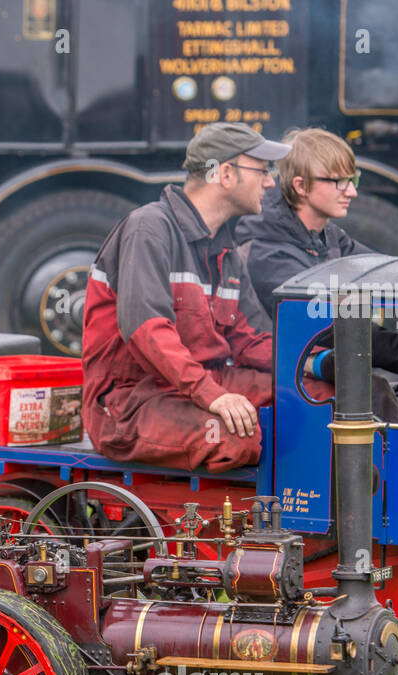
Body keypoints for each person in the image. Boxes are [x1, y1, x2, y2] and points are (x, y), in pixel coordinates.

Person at [237, 127, 398, 419]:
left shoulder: (328, 236)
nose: (352, 191)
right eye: (339, 182)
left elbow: (384, 273)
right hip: (278, 378)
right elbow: (344, 332)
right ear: (300, 186)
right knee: (375, 394)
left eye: (353, 180)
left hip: (314, 366)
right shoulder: (267, 253)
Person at [82, 122, 288, 472]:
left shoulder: (226, 251)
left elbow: (252, 341)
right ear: (225, 173)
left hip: (199, 385)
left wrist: (318, 364)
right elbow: (148, 332)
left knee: (316, 395)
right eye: (263, 170)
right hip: (129, 403)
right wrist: (215, 397)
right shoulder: (149, 229)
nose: (270, 182)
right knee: (236, 437)